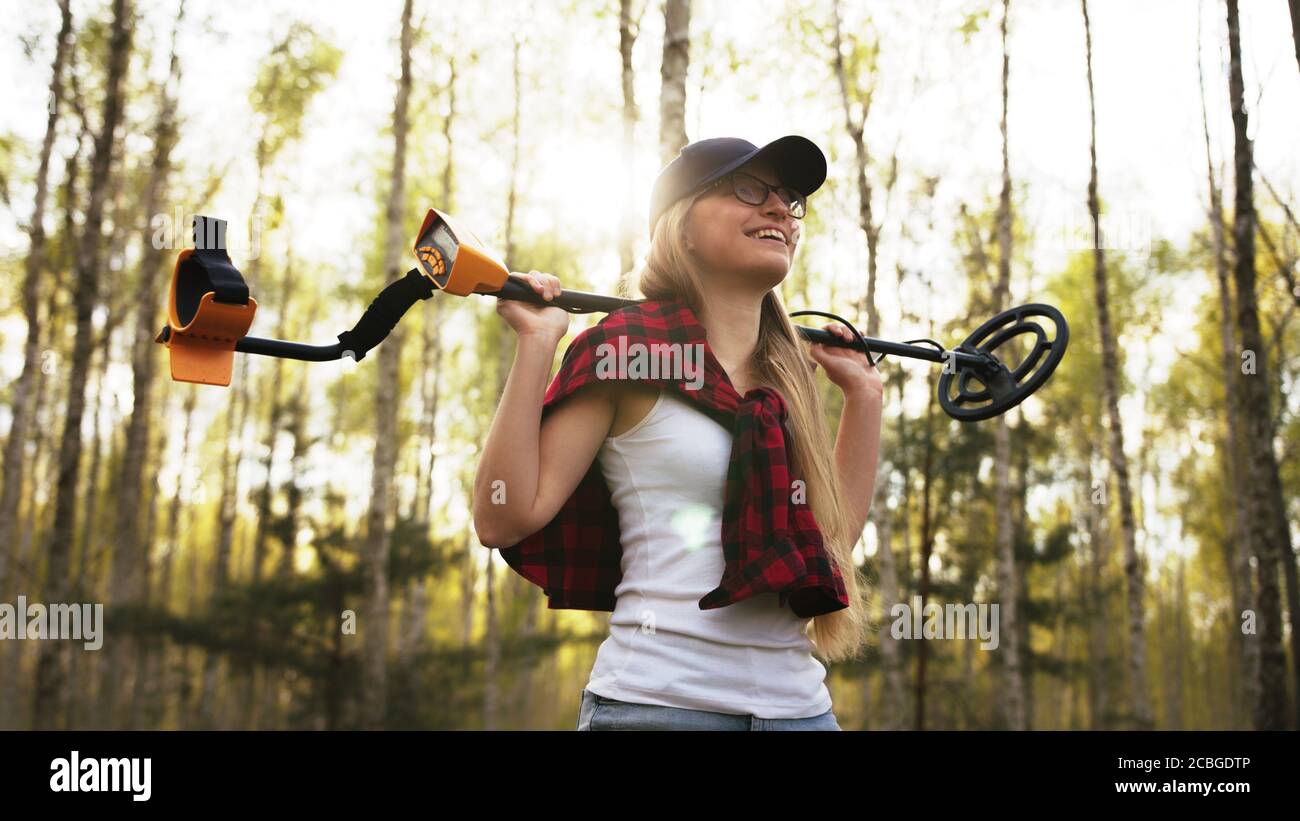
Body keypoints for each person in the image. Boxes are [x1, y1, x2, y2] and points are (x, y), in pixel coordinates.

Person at [472, 136, 883, 730]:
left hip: (802, 712)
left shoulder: (788, 376)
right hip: (656, 707)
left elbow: (829, 542)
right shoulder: (624, 351)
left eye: (789, 200)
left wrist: (863, 399)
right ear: (681, 227)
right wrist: (537, 345)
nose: (778, 210)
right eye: (750, 189)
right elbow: (501, 517)